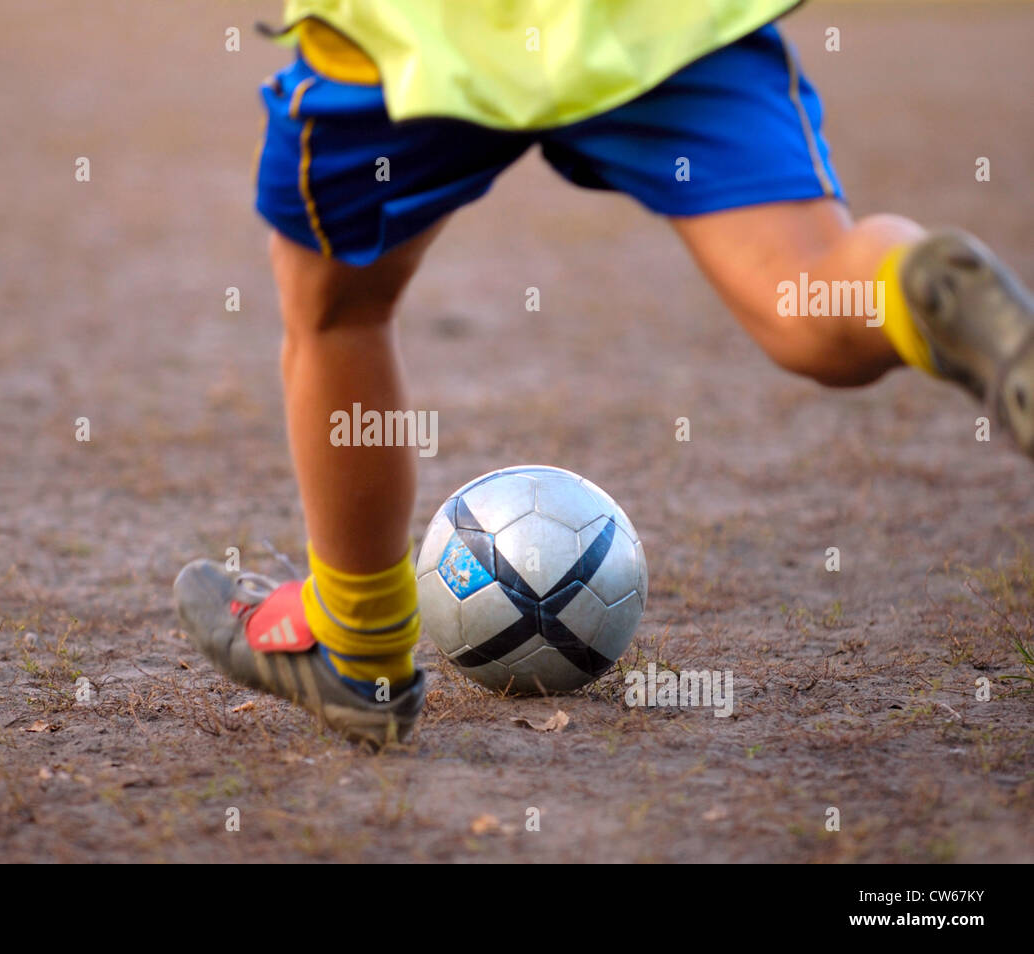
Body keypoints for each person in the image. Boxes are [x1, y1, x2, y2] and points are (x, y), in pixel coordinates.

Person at [174, 3, 1034, 746]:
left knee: (339, 311)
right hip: (650, 21)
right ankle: (914, 289)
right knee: (808, 291)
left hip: (425, 28)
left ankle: (357, 649)